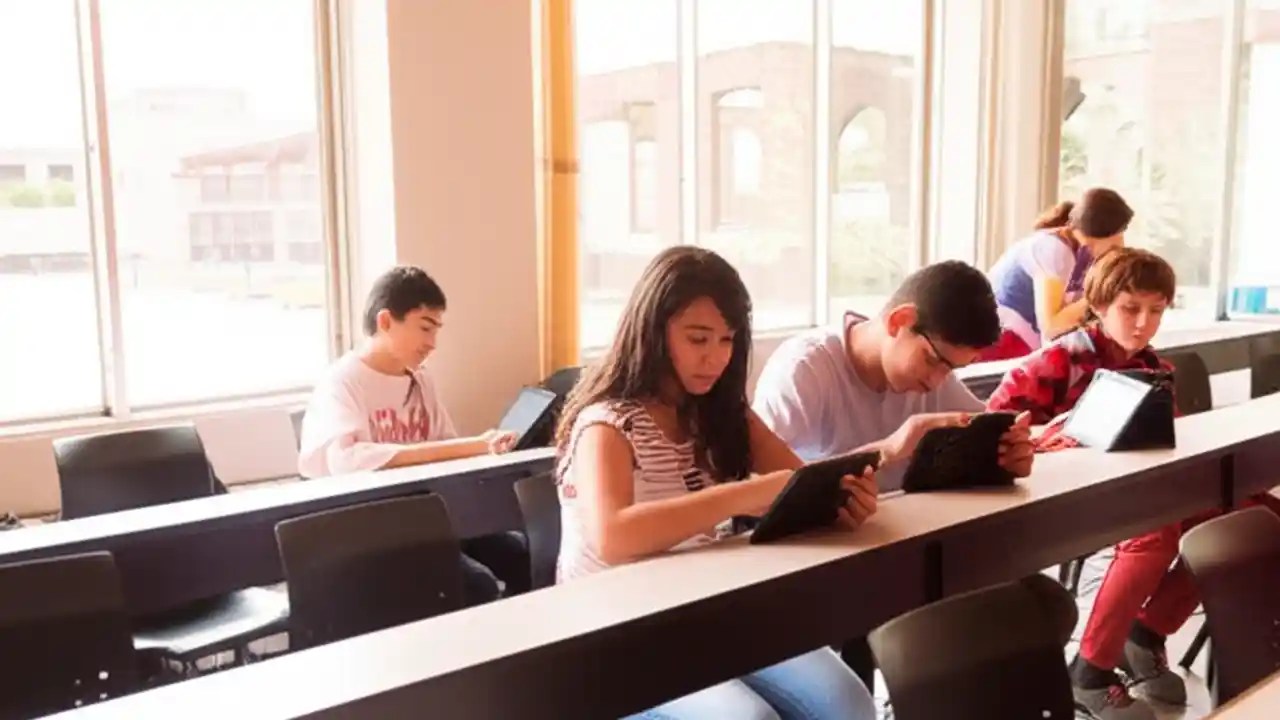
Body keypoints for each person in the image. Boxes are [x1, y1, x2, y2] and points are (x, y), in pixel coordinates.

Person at [555, 246, 879, 720]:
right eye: (698, 338)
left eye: (727, 341)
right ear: (653, 329)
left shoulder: (721, 414)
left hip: (707, 609)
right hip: (616, 630)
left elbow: (802, 484)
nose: (715, 358)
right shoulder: (605, 423)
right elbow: (614, 536)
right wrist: (748, 493)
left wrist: (844, 500)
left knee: (848, 703)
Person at [987, 248, 1280, 719]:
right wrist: (1056, 434)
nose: (1143, 322)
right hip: (1065, 500)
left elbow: (1168, 445)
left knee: (1254, 518)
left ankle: (1146, 631)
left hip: (1140, 489)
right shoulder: (1058, 360)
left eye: (1156, 311)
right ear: (1100, 305)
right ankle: (1090, 670)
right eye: (1130, 308)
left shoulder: (1154, 369)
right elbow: (995, 431)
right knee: (1155, 532)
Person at [298, 265, 528, 605]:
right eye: (425, 328)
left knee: (523, 555)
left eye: (437, 330)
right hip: (369, 533)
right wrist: (470, 445)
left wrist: (482, 448)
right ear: (386, 321)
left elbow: (444, 445)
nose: (432, 344)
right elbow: (346, 460)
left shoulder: (420, 380)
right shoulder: (342, 382)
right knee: (476, 585)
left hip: (429, 520)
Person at [753, 260, 1035, 494]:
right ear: (899, 321)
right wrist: (890, 449)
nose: (936, 381)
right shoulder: (804, 370)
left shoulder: (934, 373)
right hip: (818, 545)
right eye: (933, 360)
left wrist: (1006, 457)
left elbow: (984, 431)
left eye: (950, 369)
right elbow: (754, 484)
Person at [981, 188, 1133, 361]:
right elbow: (1052, 327)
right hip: (997, 347)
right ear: (1100, 233)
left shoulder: (1082, 252)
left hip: (1019, 348)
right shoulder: (1053, 249)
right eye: (1118, 235)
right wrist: (1100, 293)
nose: (1121, 244)